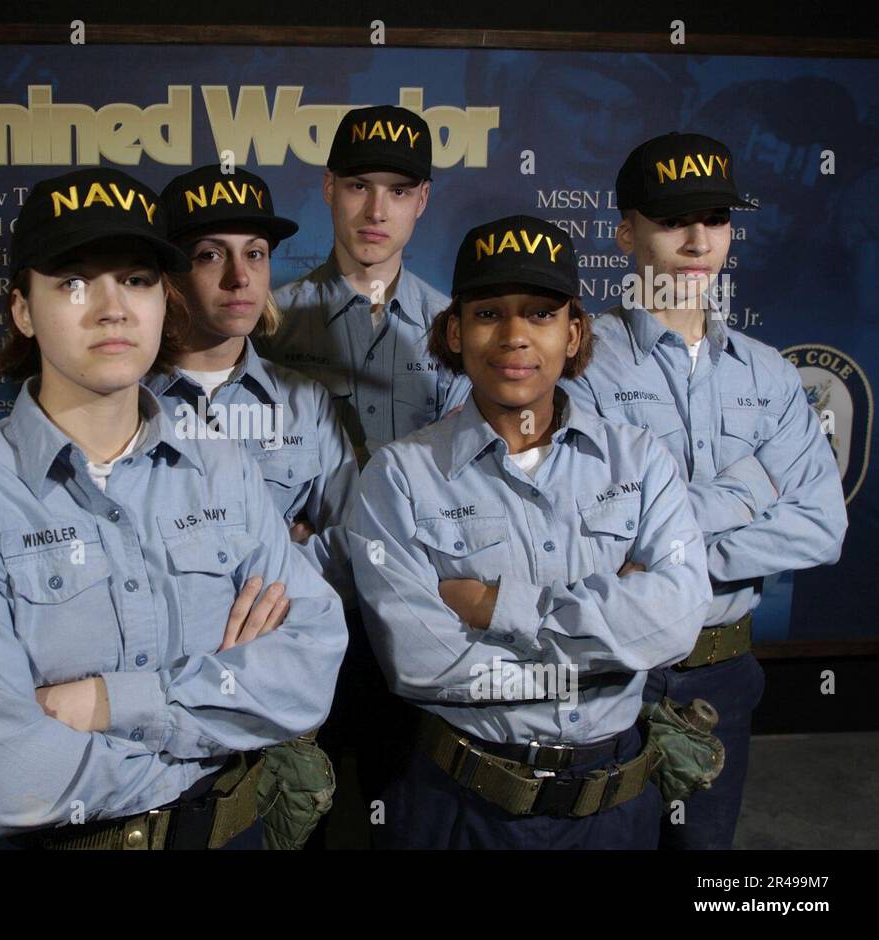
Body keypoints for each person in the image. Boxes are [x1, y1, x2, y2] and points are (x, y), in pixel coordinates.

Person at [0, 167, 347, 850]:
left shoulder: (223, 468)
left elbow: (309, 664)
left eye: (136, 280)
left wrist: (107, 702)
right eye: (74, 282)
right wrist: (218, 722)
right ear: (22, 308)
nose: (112, 307)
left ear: (165, 301)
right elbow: (1, 780)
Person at [348, 215, 711, 849]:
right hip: (459, 807)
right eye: (489, 313)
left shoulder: (642, 461)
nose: (515, 337)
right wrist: (607, 640)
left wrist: (492, 606)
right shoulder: (400, 477)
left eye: (541, 314)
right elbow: (421, 664)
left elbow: (675, 622)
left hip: (613, 809)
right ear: (455, 331)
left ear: (574, 334)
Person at [565, 132, 848, 849]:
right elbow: (593, 538)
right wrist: (751, 489)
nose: (698, 241)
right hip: (613, 674)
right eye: (672, 221)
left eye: (716, 219)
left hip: (723, 676)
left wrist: (672, 545)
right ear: (626, 232)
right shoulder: (580, 368)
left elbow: (820, 528)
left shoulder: (768, 374)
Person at [144, 163, 358, 606]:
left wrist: (268, 578)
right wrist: (285, 548)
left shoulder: (306, 402)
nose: (239, 277)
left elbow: (355, 547)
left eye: (255, 253)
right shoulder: (129, 401)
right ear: (171, 276)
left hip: (288, 648)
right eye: (210, 254)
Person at [259, 104, 471, 465]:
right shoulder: (268, 323)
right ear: (329, 188)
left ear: (422, 199)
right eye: (359, 186)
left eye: (399, 192)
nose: (376, 211)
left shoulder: (455, 330)